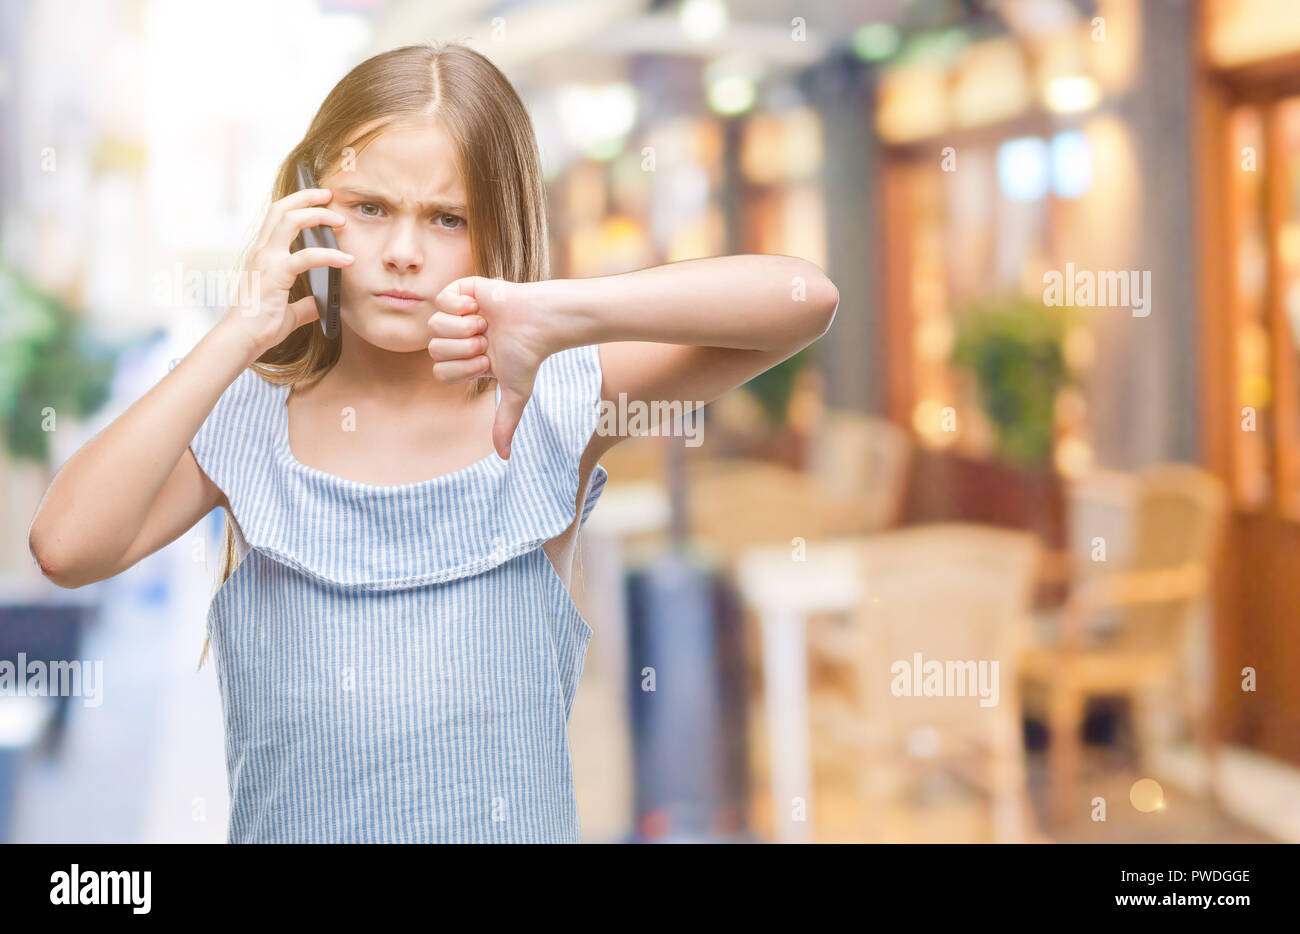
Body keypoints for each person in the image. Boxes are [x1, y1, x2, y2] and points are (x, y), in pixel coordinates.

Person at [26, 42, 839, 843]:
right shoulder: (247, 412)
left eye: (447, 218)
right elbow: (65, 546)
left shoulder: (554, 397)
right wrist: (241, 330)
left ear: (495, 233)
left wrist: (562, 313)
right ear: (309, 209)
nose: (402, 252)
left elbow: (804, 297)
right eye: (369, 207)